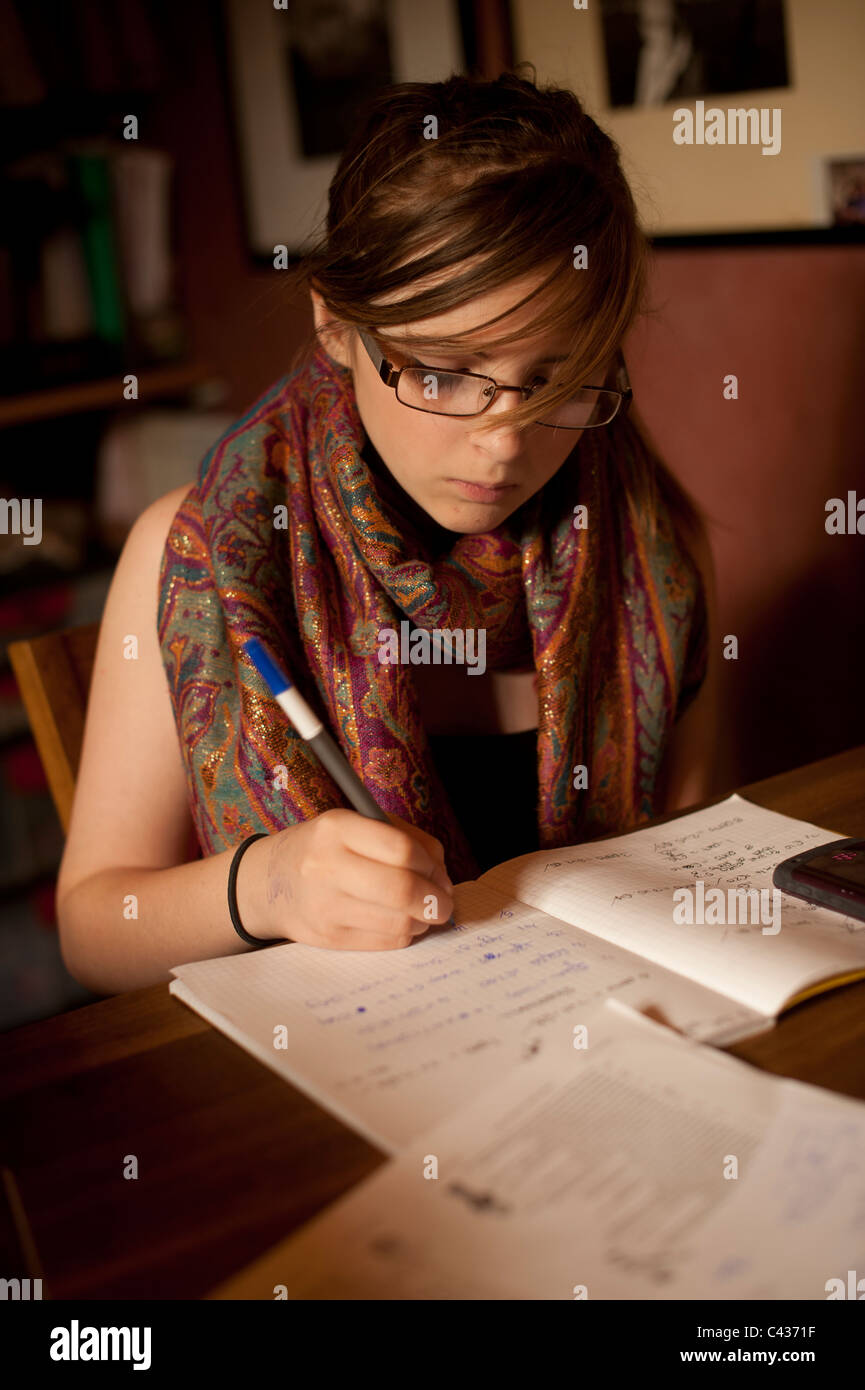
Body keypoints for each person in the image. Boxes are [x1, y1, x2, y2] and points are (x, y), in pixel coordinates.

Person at [56, 69, 718, 995]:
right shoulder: (197, 551)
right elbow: (93, 930)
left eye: (557, 378)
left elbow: (685, 855)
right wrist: (268, 887)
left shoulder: (649, 541)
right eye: (444, 373)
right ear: (334, 323)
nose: (504, 440)